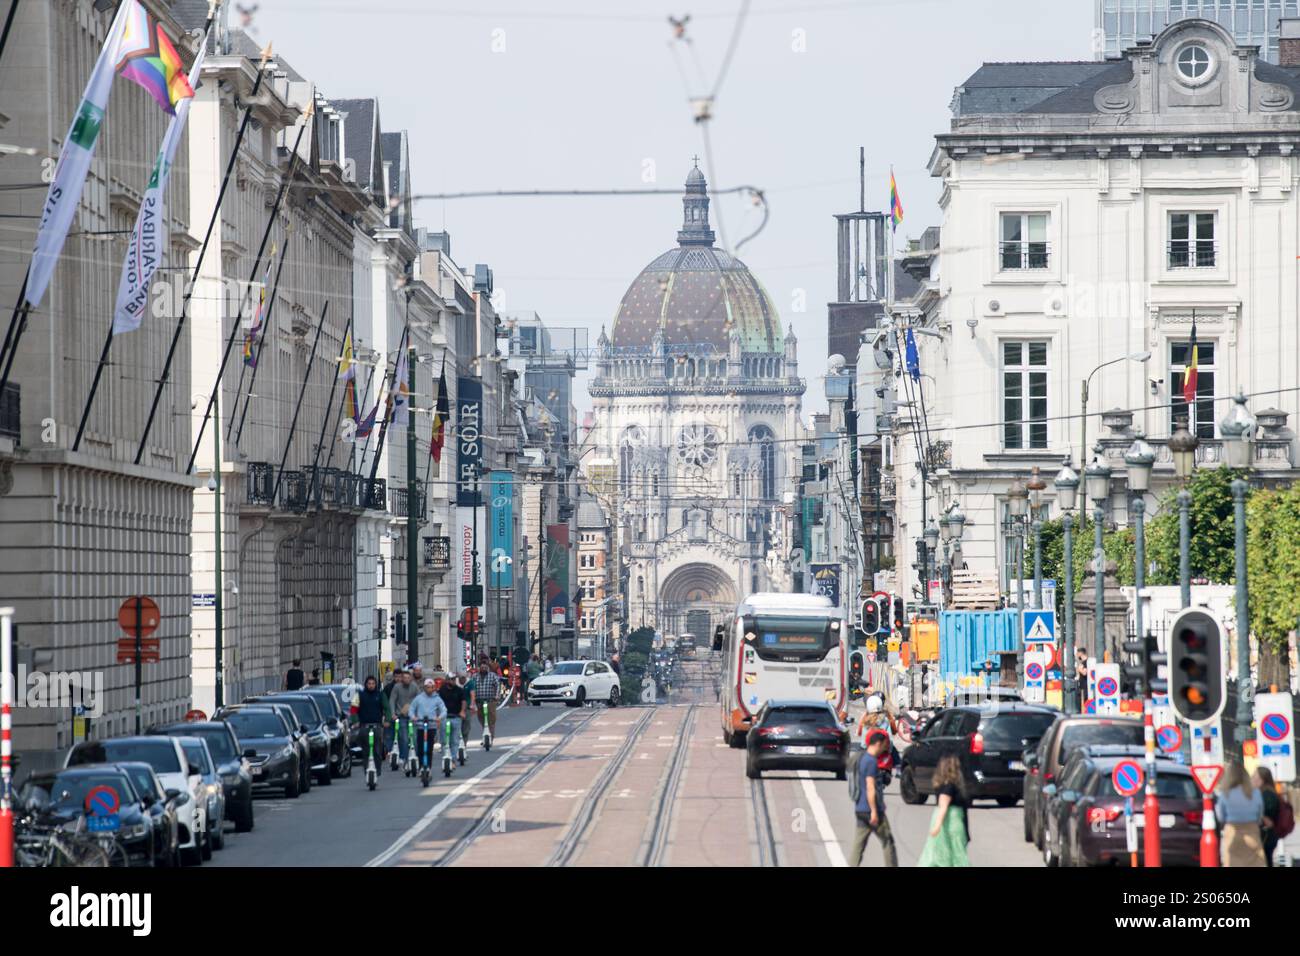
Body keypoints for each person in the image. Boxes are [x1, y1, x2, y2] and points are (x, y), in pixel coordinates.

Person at [849, 731, 898, 867]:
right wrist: (875, 811)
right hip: (872, 809)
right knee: (888, 841)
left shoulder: (861, 758)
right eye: (883, 745)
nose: (885, 748)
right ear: (877, 744)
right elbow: (871, 787)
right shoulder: (871, 761)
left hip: (860, 808)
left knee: (859, 845)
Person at [917, 755, 970, 867]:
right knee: (950, 855)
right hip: (950, 824)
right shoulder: (949, 786)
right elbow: (943, 806)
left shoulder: (948, 785)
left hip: (950, 822)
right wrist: (937, 826)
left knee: (944, 855)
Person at [1216, 762, 1266, 867]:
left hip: (1232, 832)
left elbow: (1220, 816)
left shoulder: (1225, 793)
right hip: (1252, 831)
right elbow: (1260, 815)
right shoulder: (1255, 792)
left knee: (1232, 862)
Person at [352, 676, 391, 775]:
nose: (371, 686)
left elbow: (387, 708)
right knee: (365, 752)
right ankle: (366, 770)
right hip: (364, 726)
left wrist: (387, 720)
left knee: (377, 750)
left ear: (375, 685)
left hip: (377, 725)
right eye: (369, 684)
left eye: (373, 684)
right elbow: (353, 709)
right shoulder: (359, 695)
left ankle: (377, 770)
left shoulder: (380, 695)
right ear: (366, 684)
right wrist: (355, 721)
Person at [409, 678, 448, 768]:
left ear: (434, 688)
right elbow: (411, 709)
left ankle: (428, 768)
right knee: (420, 748)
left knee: (429, 748)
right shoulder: (418, 698)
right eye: (427, 687)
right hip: (420, 726)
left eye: (431, 687)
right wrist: (413, 717)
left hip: (431, 726)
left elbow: (444, 710)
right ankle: (421, 766)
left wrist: (439, 717)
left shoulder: (437, 699)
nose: (429, 689)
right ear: (424, 687)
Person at [388, 669, 419, 763]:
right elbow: (392, 700)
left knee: (414, 739)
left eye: (408, 678)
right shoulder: (397, 687)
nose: (406, 679)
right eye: (404, 678)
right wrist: (393, 713)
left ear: (411, 679)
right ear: (402, 679)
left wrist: (419, 714)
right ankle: (404, 758)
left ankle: (415, 758)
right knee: (404, 739)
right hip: (401, 717)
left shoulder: (414, 687)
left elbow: (420, 700)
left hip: (412, 717)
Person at [1255, 765, 1281, 867]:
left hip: (1266, 834)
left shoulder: (1267, 794)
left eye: (1254, 777)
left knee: (1265, 860)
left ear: (1262, 779)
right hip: (1269, 834)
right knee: (1266, 859)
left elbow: (1267, 813)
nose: (1252, 779)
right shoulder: (1265, 793)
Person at [437, 671, 467, 759]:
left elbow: (464, 701)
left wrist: (462, 711)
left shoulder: (459, 690)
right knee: (444, 740)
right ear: (446, 680)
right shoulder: (441, 690)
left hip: (456, 717)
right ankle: (445, 757)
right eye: (450, 679)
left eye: (453, 679)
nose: (452, 681)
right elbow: (437, 703)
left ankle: (453, 759)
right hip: (444, 718)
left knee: (455, 740)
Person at [474, 656, 502, 737]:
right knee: (481, 718)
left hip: (490, 700)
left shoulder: (492, 675)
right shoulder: (475, 676)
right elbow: (472, 687)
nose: (484, 669)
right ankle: (485, 734)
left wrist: (496, 696)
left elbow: (497, 685)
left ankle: (491, 736)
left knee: (491, 720)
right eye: (482, 667)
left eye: (485, 667)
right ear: (479, 668)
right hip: (479, 701)